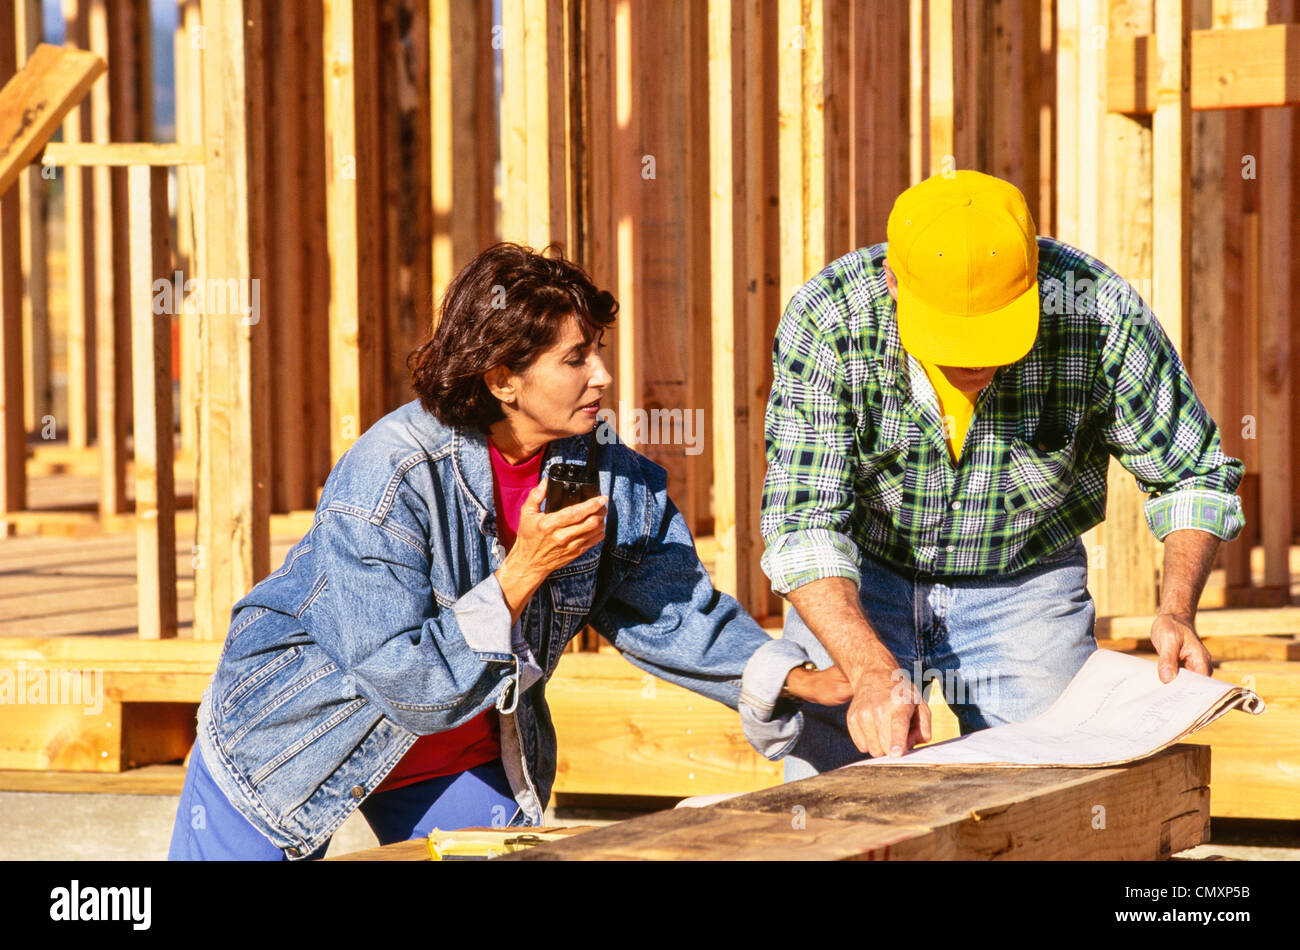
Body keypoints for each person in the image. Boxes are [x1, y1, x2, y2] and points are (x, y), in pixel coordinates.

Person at [169, 242, 850, 859]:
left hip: (456, 750)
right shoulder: (392, 473)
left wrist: (795, 679)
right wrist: (521, 573)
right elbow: (405, 682)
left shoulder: (606, 475)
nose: (604, 375)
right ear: (502, 379)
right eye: (576, 358)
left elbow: (670, 609)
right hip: (293, 743)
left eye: (598, 349)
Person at [761, 169, 1245, 780]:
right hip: (860, 577)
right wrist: (865, 666)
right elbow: (802, 523)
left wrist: (1177, 609)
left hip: (1024, 582)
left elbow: (1192, 475)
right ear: (893, 283)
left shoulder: (1099, 312)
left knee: (1051, 792)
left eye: (993, 334)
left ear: (1035, 287)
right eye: (950, 339)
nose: (974, 360)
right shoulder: (830, 320)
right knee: (827, 808)